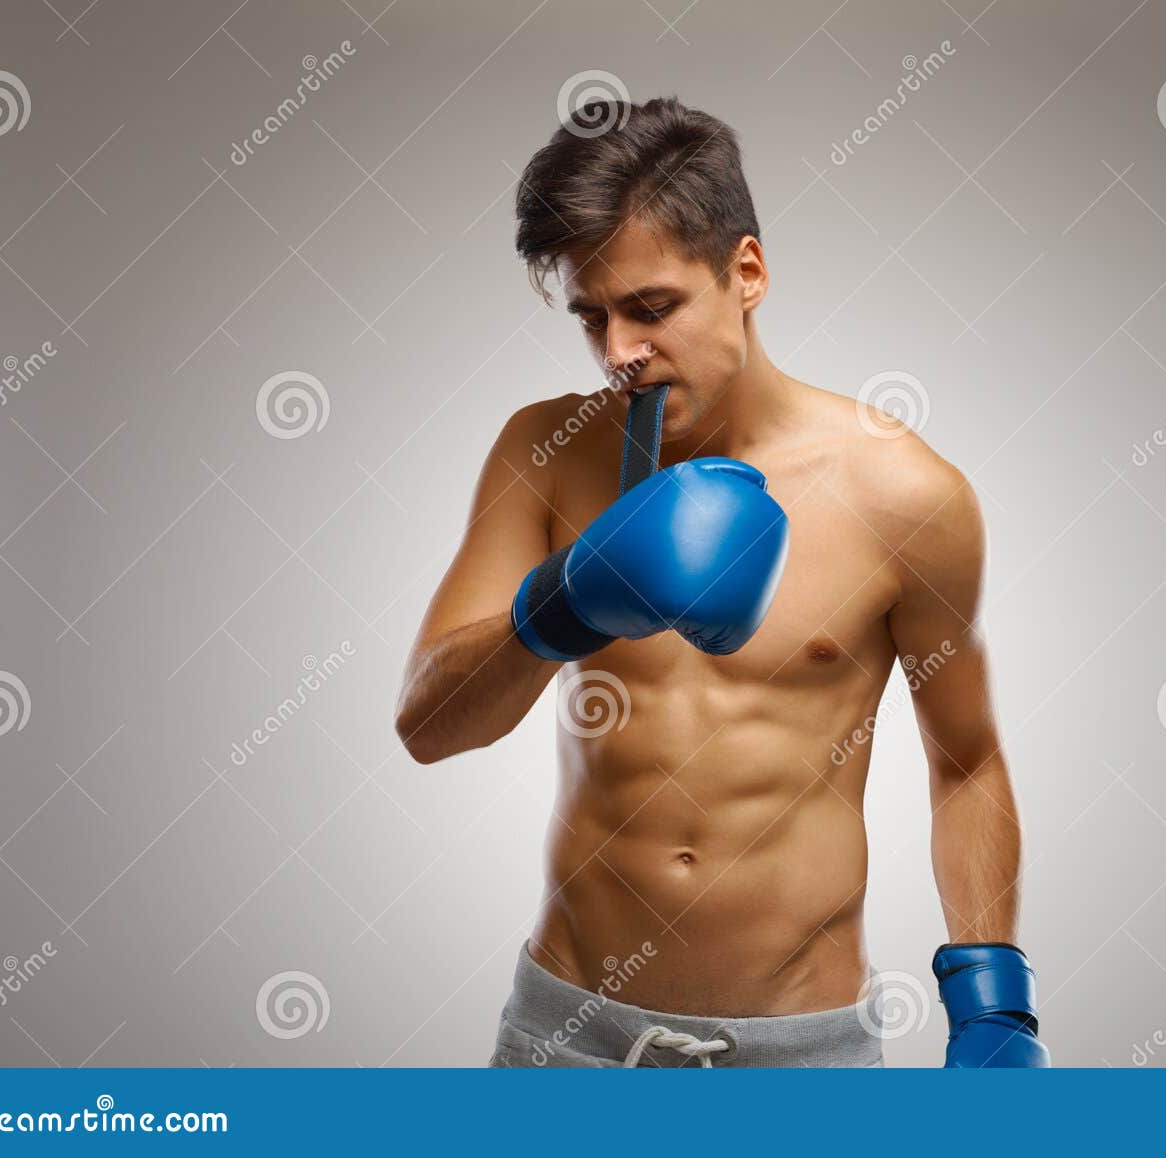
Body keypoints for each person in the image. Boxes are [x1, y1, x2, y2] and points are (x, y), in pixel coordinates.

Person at [394, 96, 1047, 1068]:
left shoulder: (904, 495)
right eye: (593, 317)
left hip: (801, 1060)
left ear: (746, 272)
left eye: (651, 309)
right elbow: (428, 727)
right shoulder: (545, 454)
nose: (618, 353)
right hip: (568, 1040)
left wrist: (993, 1002)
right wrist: (559, 601)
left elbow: (966, 761)